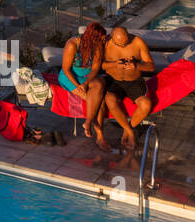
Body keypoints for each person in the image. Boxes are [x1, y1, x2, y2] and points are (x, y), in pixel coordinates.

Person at [100, 25, 155, 148]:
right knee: (110, 100)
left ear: (128, 35)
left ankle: (126, 130)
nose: (123, 46)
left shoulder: (138, 42)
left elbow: (151, 66)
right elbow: (99, 66)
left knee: (146, 104)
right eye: (120, 44)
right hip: (114, 81)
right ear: (112, 38)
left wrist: (137, 66)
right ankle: (130, 132)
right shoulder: (106, 44)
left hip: (134, 81)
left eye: (125, 43)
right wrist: (114, 65)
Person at [61, 22, 109, 150]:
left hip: (88, 77)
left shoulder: (98, 46)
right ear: (94, 38)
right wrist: (78, 86)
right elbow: (66, 69)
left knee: (98, 86)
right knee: (99, 102)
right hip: (71, 77)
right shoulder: (73, 44)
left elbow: (95, 69)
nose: (104, 41)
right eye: (102, 39)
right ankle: (100, 137)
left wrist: (86, 83)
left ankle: (87, 123)